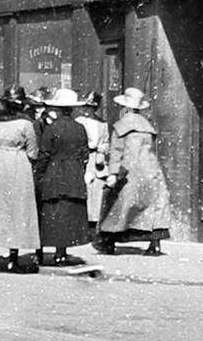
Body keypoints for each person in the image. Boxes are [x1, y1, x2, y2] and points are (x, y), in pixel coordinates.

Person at [99, 87, 171, 256]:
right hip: (150, 169)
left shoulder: (121, 126)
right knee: (152, 205)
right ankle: (155, 244)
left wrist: (113, 173)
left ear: (125, 107)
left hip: (129, 170)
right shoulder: (147, 126)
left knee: (118, 205)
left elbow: (117, 152)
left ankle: (108, 241)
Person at [0, 84, 41, 273]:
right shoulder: (26, 124)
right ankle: (13, 258)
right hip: (17, 164)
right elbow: (33, 152)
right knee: (17, 209)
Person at [34, 88, 91, 266]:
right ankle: (62, 252)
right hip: (73, 173)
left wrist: (39, 174)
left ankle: (46, 250)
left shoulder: (52, 128)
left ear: (58, 109)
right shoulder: (80, 128)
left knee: (52, 211)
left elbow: (44, 154)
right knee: (68, 212)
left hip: (54, 172)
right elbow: (84, 153)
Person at [74, 92, 111, 233]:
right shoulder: (79, 121)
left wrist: (103, 149)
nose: (89, 110)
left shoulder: (102, 124)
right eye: (87, 107)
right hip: (85, 157)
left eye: (92, 108)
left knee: (96, 192)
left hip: (97, 159)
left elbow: (106, 141)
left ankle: (94, 225)